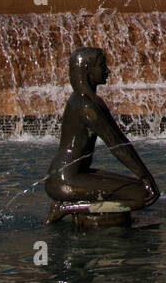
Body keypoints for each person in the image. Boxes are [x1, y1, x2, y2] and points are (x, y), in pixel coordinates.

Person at [45, 48, 159, 215]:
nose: (107, 71)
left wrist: (144, 176)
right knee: (143, 195)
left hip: (67, 175)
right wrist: (146, 176)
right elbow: (117, 146)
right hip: (66, 181)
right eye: (101, 65)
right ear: (87, 70)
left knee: (138, 186)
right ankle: (67, 208)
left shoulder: (81, 100)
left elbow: (120, 140)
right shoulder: (87, 107)